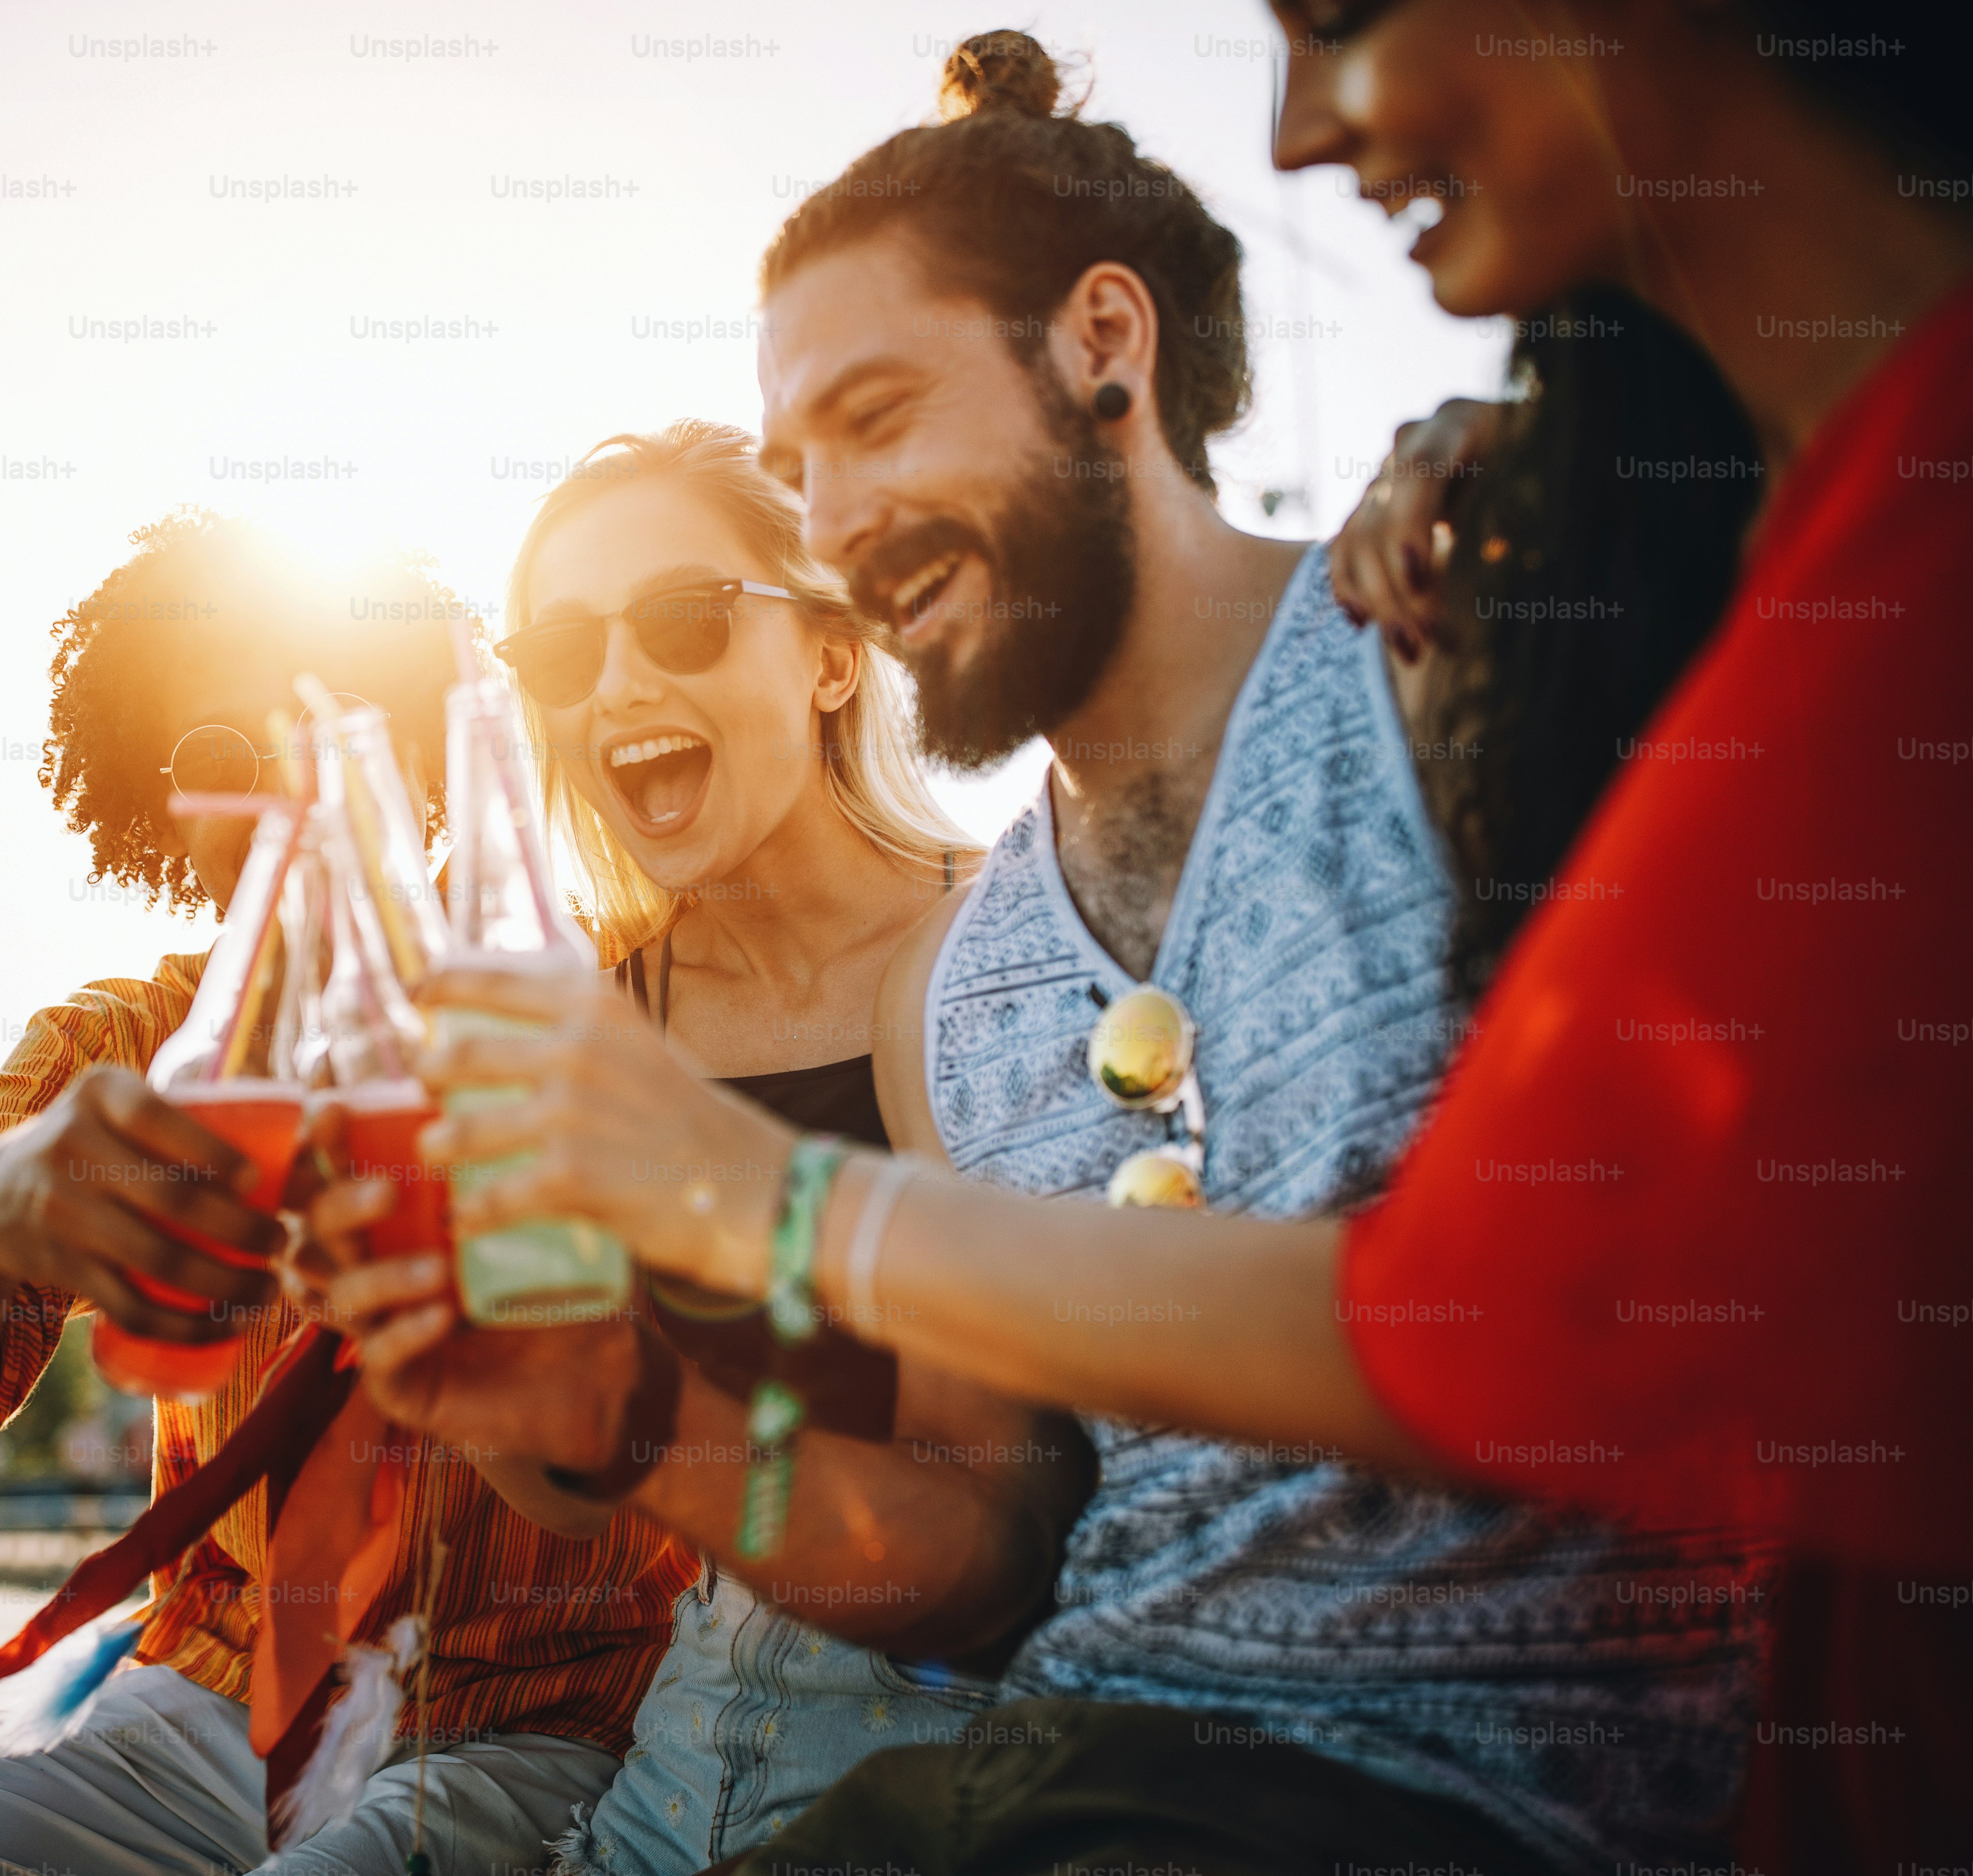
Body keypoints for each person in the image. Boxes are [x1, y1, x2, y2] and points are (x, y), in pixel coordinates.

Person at [398, 10, 1972, 1869]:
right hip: (1050, 1766)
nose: (831, 527)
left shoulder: (1463, 637)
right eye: (796, 467)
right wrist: (633, 1417)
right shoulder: (961, 980)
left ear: (1102, 345)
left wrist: (753, 1194)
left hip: (1464, 1798)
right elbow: (983, 1562)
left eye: (877, 418)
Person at [0, 510, 695, 1876]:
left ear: (414, 763)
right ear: (166, 807)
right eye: (225, 755)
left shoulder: (601, 994)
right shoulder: (131, 1048)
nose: (293, 795)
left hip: (537, 1717)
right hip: (200, 1701)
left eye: (336, 741)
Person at [303, 418, 1104, 1871]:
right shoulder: (601, 1022)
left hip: (979, 1783)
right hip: (683, 1767)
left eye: (681, 620)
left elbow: (994, 1564)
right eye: (558, 656)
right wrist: (465, 1353)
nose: (617, 685)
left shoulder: (1007, 955)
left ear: (832, 656)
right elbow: (566, 1483)